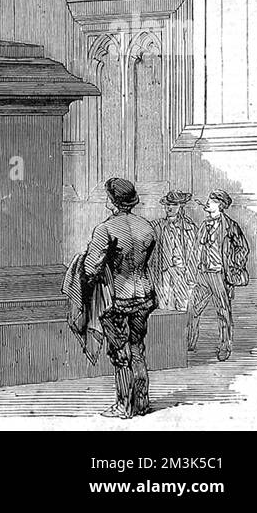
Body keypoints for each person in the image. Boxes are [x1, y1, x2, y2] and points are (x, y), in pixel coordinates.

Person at [81, 177, 157, 419]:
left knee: (120, 353)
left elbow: (91, 268)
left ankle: (124, 406)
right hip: (144, 296)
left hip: (118, 300)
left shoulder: (105, 229)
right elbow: (146, 262)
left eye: (107, 196)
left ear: (113, 201)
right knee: (137, 348)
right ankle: (142, 403)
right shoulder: (147, 227)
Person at [187, 190, 250, 361]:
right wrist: (191, 272)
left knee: (223, 311)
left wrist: (234, 266)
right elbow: (195, 250)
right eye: (209, 200)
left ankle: (225, 346)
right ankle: (189, 342)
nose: (207, 203)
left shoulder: (230, 225)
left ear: (220, 206)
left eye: (212, 201)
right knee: (192, 308)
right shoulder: (204, 224)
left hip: (218, 275)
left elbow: (243, 248)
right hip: (202, 273)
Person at [149, 190, 198, 310]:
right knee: (163, 307)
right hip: (163, 273)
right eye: (167, 204)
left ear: (181, 206)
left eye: (174, 205)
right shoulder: (156, 226)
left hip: (183, 273)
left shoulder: (191, 228)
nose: (169, 208)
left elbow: (195, 254)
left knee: (184, 307)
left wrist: (191, 276)